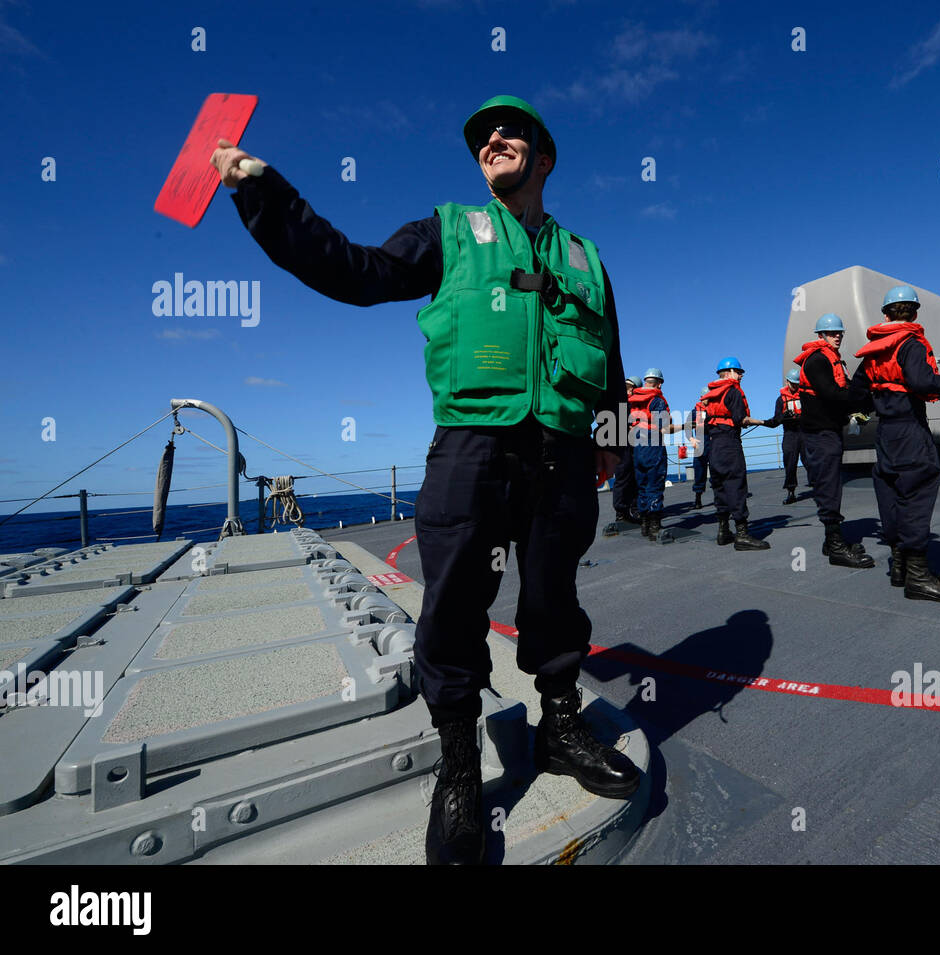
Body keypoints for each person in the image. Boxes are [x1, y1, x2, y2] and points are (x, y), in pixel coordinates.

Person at [212, 95, 639, 866]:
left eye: (512, 132)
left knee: (554, 595)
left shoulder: (584, 256)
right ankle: (460, 766)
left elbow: (611, 358)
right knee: (450, 611)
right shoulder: (449, 231)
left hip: (564, 454)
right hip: (472, 451)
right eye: (484, 136)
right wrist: (262, 191)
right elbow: (355, 271)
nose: (494, 140)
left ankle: (560, 725)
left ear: (544, 157)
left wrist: (612, 442)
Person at [851, 285, 940, 601]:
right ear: (915, 313)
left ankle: (899, 565)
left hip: (886, 432)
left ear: (885, 315)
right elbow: (923, 382)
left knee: (892, 490)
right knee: (918, 492)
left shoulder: (873, 351)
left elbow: (856, 393)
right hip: (910, 429)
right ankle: (918, 577)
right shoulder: (911, 344)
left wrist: (875, 403)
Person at [793, 314, 874, 569]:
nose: (836, 335)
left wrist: (860, 402)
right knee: (828, 486)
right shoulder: (818, 360)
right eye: (830, 333)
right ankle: (836, 547)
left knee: (832, 483)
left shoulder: (835, 360)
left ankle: (831, 542)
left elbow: (844, 391)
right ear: (820, 336)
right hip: (819, 434)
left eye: (839, 332)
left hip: (828, 431)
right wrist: (866, 401)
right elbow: (832, 393)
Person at [703, 357, 771, 551]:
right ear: (729, 372)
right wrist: (764, 422)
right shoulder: (733, 392)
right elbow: (740, 419)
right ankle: (742, 535)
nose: (741, 375)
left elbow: (707, 422)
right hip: (730, 444)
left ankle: (723, 531)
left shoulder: (711, 395)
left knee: (720, 486)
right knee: (736, 485)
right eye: (738, 371)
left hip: (714, 446)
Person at [628, 367, 686, 539]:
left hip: (636, 444)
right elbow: (665, 428)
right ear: (659, 384)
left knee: (642, 484)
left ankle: (644, 524)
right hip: (653, 444)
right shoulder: (657, 400)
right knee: (655, 482)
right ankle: (654, 526)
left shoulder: (633, 400)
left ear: (645, 381)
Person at [764, 368, 806, 505]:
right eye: (793, 383)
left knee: (811, 460)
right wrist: (783, 416)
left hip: (805, 431)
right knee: (790, 463)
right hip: (790, 434)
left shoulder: (804, 395)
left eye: (797, 384)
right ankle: (791, 492)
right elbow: (776, 420)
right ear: (787, 381)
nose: (795, 386)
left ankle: (818, 486)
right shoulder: (780, 400)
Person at [611, 375, 642, 523]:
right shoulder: (620, 403)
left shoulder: (637, 404)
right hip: (621, 444)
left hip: (634, 444)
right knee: (622, 476)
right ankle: (621, 512)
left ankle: (635, 509)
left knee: (636, 476)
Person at [686, 386, 711, 508]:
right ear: (702, 398)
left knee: (717, 471)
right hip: (700, 444)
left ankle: (719, 497)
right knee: (699, 472)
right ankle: (698, 499)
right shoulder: (694, 412)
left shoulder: (714, 410)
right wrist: (691, 438)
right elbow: (687, 428)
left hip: (713, 443)